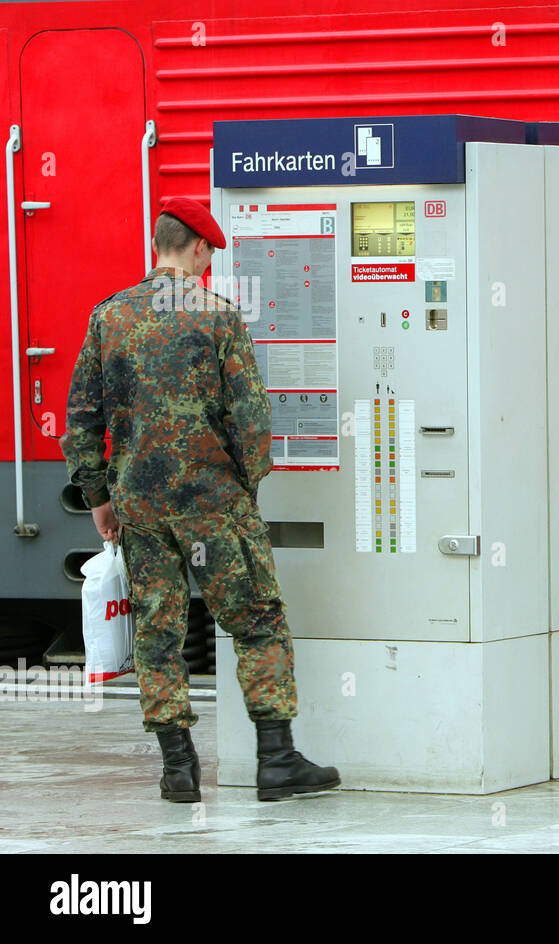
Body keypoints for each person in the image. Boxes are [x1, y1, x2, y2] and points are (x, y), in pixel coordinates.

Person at [60, 196, 340, 802]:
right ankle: (277, 759)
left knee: (158, 633)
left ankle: (178, 771)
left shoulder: (109, 316)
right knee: (256, 619)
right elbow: (251, 417)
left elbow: (81, 417)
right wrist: (246, 485)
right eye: (209, 252)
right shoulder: (217, 317)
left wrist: (98, 496)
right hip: (213, 502)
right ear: (198, 248)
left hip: (138, 506)